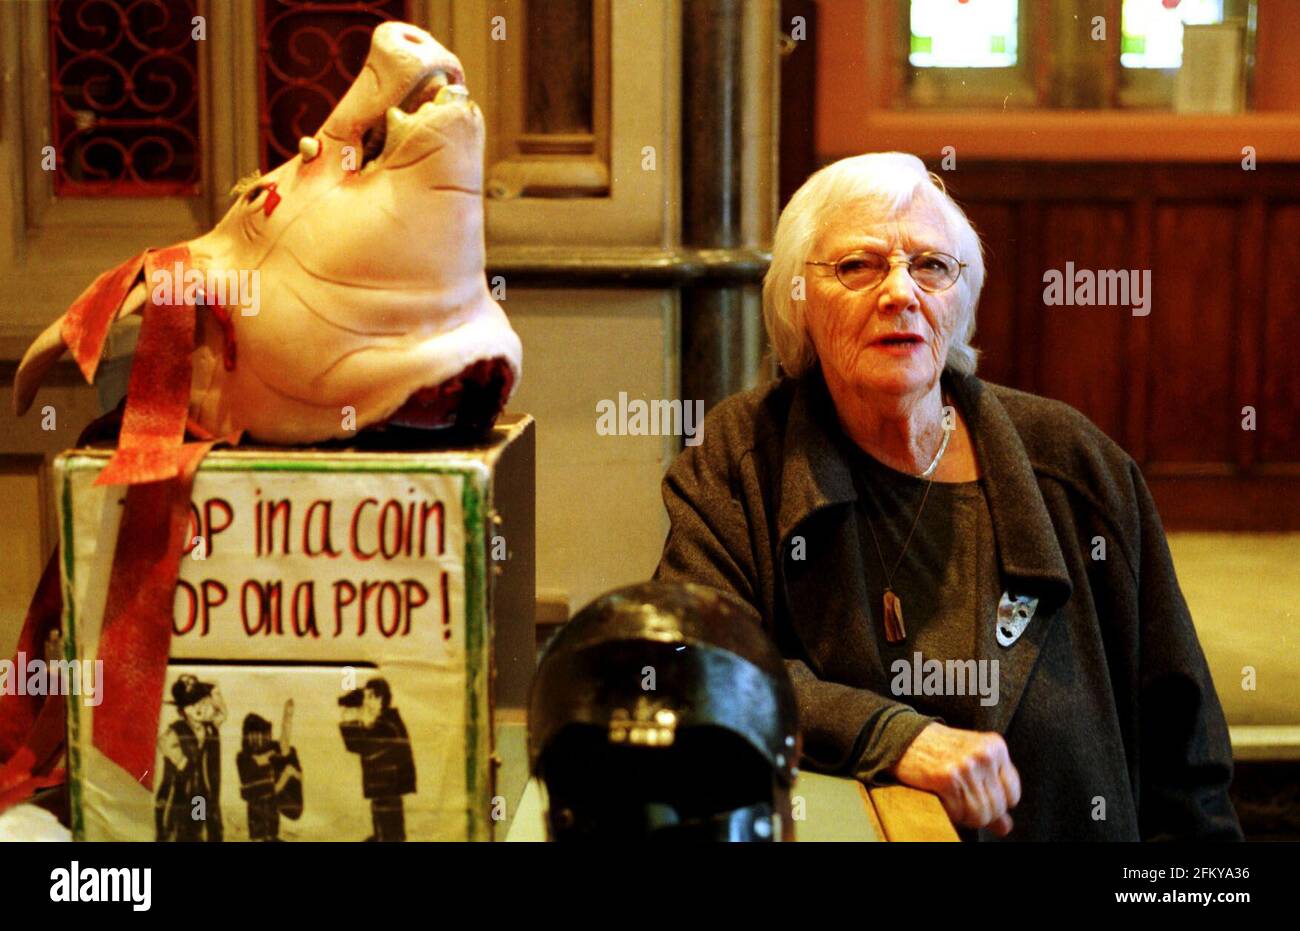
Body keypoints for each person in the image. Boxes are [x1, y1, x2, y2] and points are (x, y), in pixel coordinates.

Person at [655, 151, 1242, 841]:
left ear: (963, 301)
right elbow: (695, 663)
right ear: (797, 300)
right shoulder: (741, 459)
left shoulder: (1075, 464)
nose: (901, 292)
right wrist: (893, 736)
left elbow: (1185, 754)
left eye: (932, 266)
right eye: (858, 266)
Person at [339, 678, 416, 841]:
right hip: (385, 795)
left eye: (368, 697)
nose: (365, 703)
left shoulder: (387, 726)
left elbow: (359, 745)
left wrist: (350, 718)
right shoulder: (387, 722)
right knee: (385, 836)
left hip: (387, 796)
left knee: (389, 837)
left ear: (380, 699)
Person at [155, 675, 225, 842]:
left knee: (204, 830)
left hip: (203, 794)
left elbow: (222, 713)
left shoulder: (209, 728)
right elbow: (164, 744)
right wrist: (180, 760)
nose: (199, 708)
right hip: (185, 795)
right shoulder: (176, 732)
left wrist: (214, 692)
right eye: (192, 704)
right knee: (187, 832)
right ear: (183, 710)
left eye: (202, 702)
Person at [235, 701, 302, 841]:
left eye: (264, 735)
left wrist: (287, 718)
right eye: (256, 735)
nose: (260, 740)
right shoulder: (244, 759)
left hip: (272, 833)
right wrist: (285, 776)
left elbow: (284, 746)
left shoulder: (269, 753)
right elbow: (264, 790)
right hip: (259, 835)